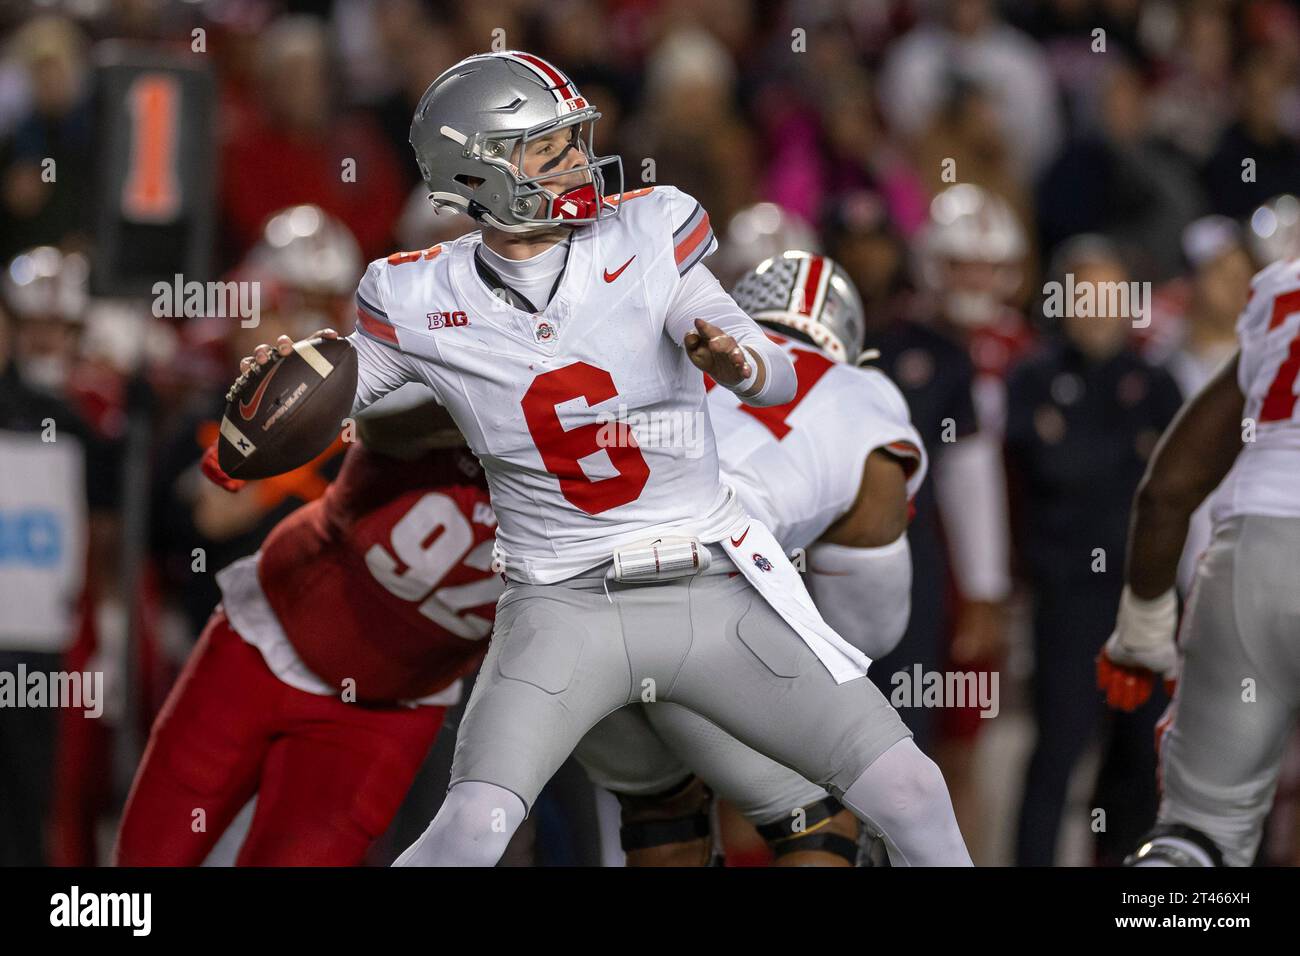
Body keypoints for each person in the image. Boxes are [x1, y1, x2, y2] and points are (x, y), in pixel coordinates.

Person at [236, 51, 970, 867]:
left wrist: (742, 365)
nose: (581, 160)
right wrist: (274, 400)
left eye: (576, 139)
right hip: (559, 605)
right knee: (473, 829)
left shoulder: (650, 228)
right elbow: (348, 406)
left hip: (710, 585)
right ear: (478, 171)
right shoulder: (412, 295)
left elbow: (773, 367)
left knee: (912, 791)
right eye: (551, 148)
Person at [573, 252, 928, 866]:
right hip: (693, 596)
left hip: (567, 597)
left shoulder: (668, 346)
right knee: (818, 814)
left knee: (661, 810)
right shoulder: (864, 395)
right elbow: (868, 630)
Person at [118, 396, 502, 865]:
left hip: (387, 711)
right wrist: (491, 413)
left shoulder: (606, 484)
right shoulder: (467, 374)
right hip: (266, 643)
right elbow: (368, 406)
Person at [1100, 249, 1300, 867]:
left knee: (1198, 838)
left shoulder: (1286, 293)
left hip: (1257, 555)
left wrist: (1141, 629)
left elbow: (1166, 489)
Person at [1010, 236, 1183, 865]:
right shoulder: (1033, 376)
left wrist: (1083, 455)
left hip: (1145, 593)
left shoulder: (1157, 381)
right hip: (1066, 600)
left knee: (1143, 753)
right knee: (1058, 747)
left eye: (1112, 291)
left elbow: (1171, 479)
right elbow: (1054, 465)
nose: (1098, 306)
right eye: (1085, 291)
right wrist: (1122, 453)